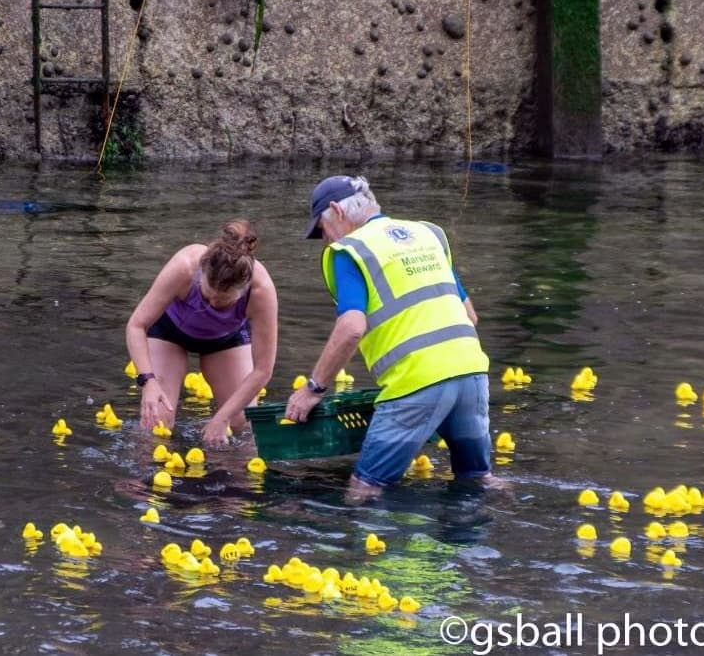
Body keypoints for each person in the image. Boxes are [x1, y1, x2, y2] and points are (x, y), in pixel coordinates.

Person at [284, 175, 493, 499]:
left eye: (322, 230)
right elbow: (470, 315)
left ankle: (370, 548)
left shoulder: (349, 251)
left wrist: (314, 388)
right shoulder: (428, 234)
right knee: (478, 482)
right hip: (472, 374)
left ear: (337, 210)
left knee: (365, 488)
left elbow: (352, 327)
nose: (325, 240)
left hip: (416, 381)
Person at [126, 221, 278, 447]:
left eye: (223, 301)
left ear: (244, 288)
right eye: (208, 295)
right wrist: (148, 381)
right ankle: (142, 476)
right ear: (202, 273)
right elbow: (136, 325)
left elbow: (263, 370)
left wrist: (222, 417)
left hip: (225, 339)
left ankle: (237, 477)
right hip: (170, 332)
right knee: (157, 421)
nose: (213, 303)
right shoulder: (185, 266)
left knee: (242, 423)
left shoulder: (261, 290)